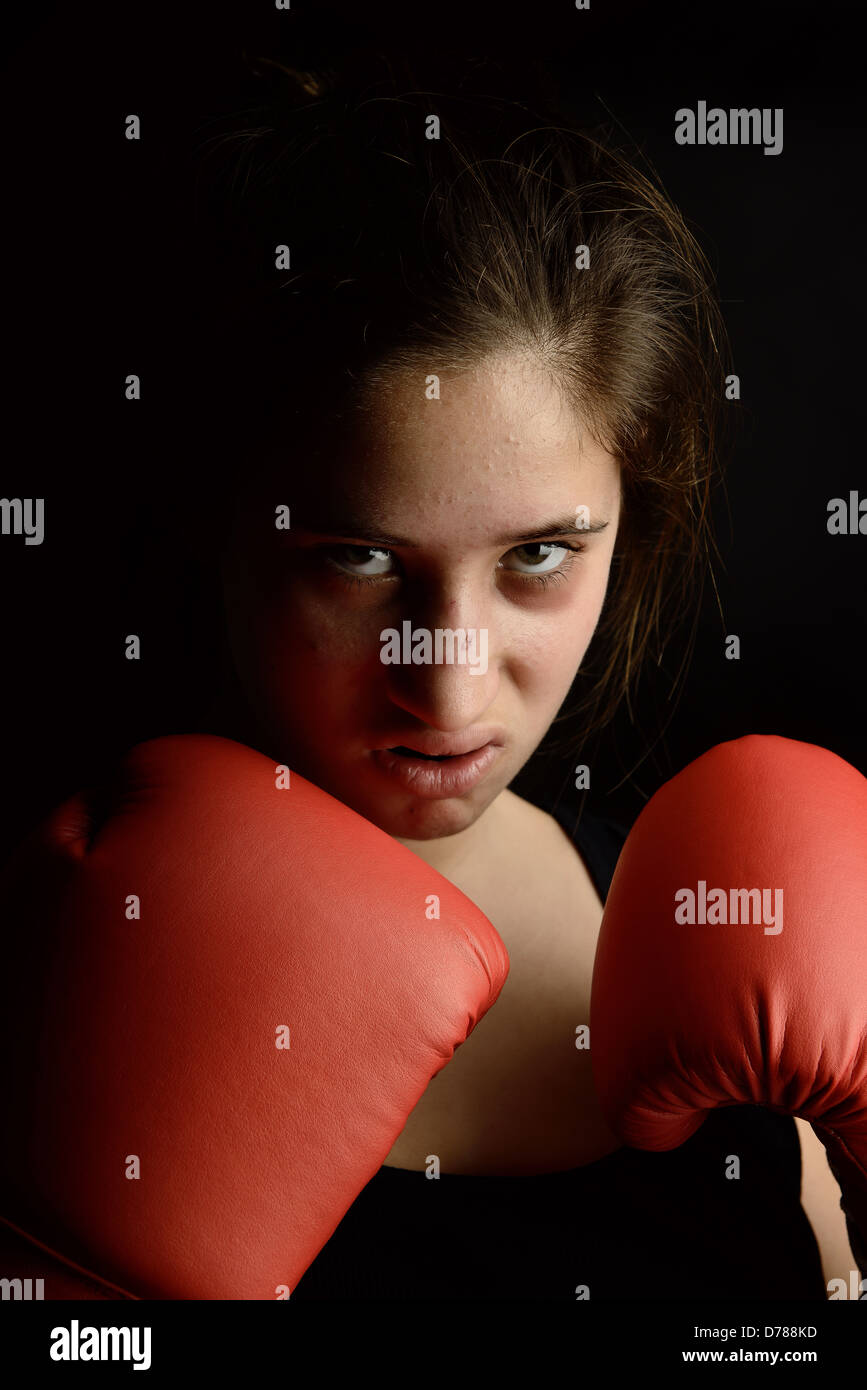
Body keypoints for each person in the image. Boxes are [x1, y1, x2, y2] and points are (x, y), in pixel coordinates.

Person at [187, 53, 850, 1299]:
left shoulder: (724, 927)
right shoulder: (64, 960)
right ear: (223, 523)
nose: (446, 693)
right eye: (358, 560)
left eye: (539, 556)